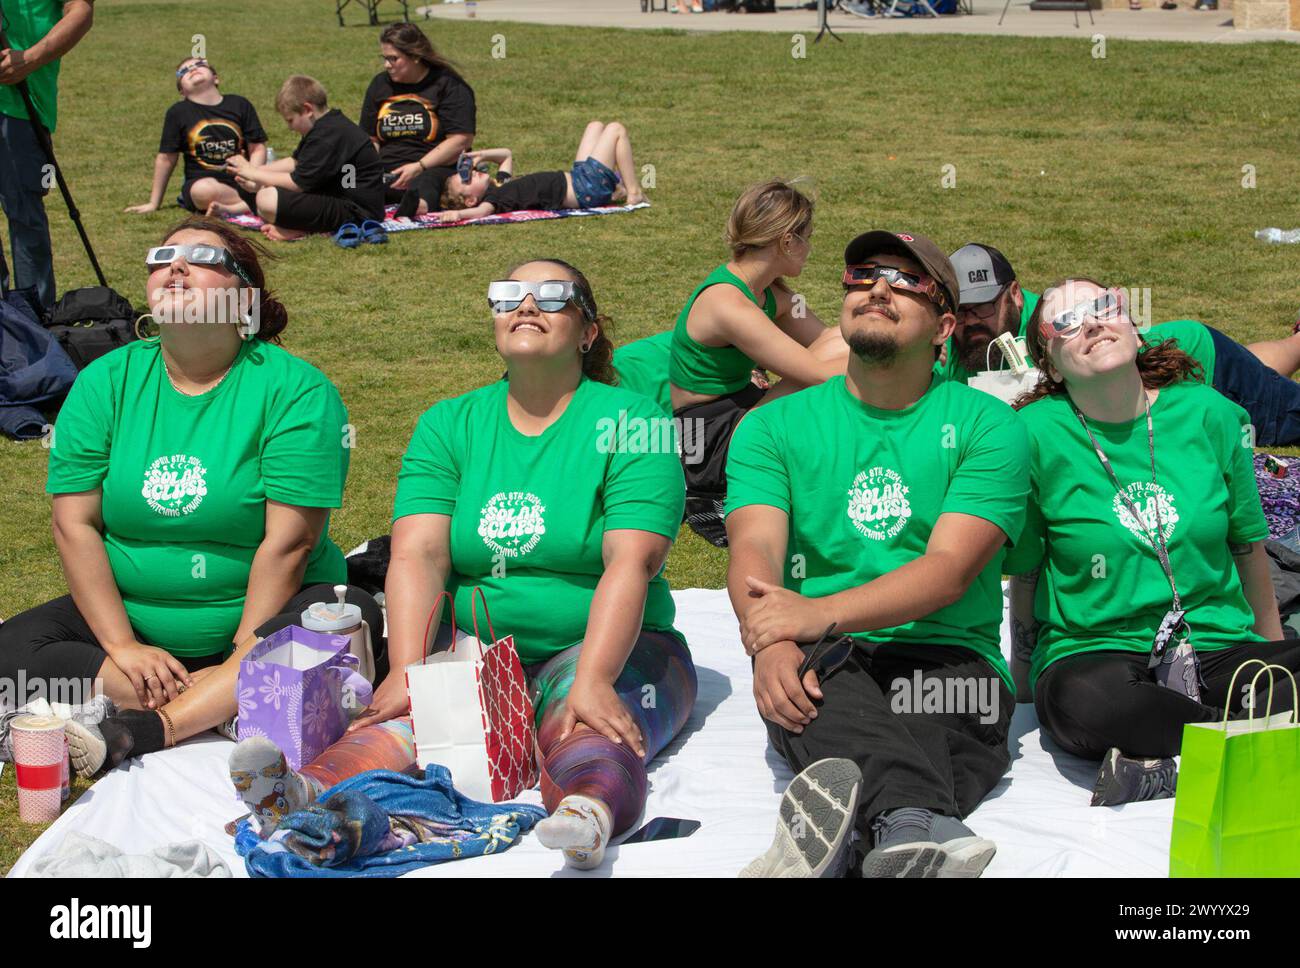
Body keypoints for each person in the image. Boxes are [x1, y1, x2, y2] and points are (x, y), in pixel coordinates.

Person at [348, 258, 697, 871]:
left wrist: (592, 678)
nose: (526, 306)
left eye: (552, 295)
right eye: (509, 295)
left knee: (582, 727)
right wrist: (407, 668)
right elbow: (417, 554)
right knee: (403, 728)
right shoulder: (449, 423)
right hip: (481, 645)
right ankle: (302, 805)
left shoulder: (635, 422)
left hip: (608, 644)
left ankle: (586, 817)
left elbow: (631, 562)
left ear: (588, 332)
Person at [0, 215, 379, 775]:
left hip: (265, 617)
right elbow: (73, 525)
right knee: (12, 651)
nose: (174, 266)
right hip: (135, 626)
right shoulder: (105, 381)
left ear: (243, 297)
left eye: (203, 259)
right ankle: (231, 701)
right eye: (162, 257)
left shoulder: (297, 390)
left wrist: (242, 651)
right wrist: (123, 645)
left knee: (339, 627)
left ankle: (155, 723)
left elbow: (291, 543)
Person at [728, 231, 1027, 878]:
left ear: (944, 325)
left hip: (948, 653)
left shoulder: (987, 426)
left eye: (907, 281)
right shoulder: (773, 425)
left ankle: (838, 852)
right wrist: (770, 641)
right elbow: (754, 546)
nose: (879, 288)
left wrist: (815, 614)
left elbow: (947, 572)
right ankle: (912, 831)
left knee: (933, 725)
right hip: (830, 654)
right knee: (810, 690)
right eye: (863, 274)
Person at [1006, 277, 1300, 806]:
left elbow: (1247, 547)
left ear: (1134, 331)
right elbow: (1025, 569)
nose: (1092, 322)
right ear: (1049, 364)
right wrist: (1024, 686)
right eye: (1067, 321)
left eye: (1103, 307)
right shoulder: (1032, 434)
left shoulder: (1209, 415)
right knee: (1087, 705)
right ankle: (1254, 738)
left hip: (1213, 644)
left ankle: (1180, 751)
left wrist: (1267, 652)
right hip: (1096, 651)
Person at [946, 242, 1300, 445]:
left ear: (1015, 296)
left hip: (1195, 364)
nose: (972, 321)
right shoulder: (949, 344)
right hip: (1178, 352)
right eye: (962, 312)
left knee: (1280, 408)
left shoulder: (1048, 328)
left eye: (985, 307)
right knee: (1263, 370)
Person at [669, 179, 848, 546]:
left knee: (846, 341)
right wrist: (901, 362)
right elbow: (818, 375)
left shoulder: (768, 292)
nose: (810, 248)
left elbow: (830, 339)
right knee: (815, 385)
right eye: (807, 237)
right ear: (786, 241)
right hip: (705, 442)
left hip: (739, 409)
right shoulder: (727, 304)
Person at [0, 0, 94, 309]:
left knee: (25, 216)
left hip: (18, 102)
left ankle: (35, 322)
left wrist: (28, 59)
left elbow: (80, 10)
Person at [224, 75, 384, 242]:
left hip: (357, 209)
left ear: (307, 110)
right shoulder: (323, 127)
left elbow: (297, 183)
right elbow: (295, 162)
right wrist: (253, 171)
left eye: (291, 120)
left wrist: (253, 174)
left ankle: (299, 228)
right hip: (334, 194)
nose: (290, 128)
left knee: (267, 199)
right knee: (254, 186)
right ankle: (294, 225)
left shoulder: (329, 135)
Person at [124, 57, 267, 217]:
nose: (192, 69)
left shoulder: (240, 104)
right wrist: (153, 203)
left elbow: (257, 148)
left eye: (199, 65)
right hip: (203, 184)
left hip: (243, 181)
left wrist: (252, 177)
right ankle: (255, 202)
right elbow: (166, 158)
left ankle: (244, 204)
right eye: (184, 71)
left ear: (216, 78)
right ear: (181, 91)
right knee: (203, 191)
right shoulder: (178, 112)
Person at [434, 122, 645, 223]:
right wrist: (458, 214)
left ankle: (615, 188)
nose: (471, 172)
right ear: (471, 200)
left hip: (578, 176)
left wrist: (480, 155)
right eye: (466, 179)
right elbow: (482, 213)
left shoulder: (499, 184)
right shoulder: (494, 199)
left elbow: (506, 155)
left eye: (467, 171)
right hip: (585, 189)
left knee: (595, 126)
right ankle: (633, 192)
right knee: (616, 130)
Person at [360, 21, 475, 202]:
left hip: (433, 166)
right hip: (387, 168)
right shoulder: (380, 85)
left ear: (415, 56)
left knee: (425, 184)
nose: (386, 65)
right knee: (347, 180)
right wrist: (369, 166)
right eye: (384, 58)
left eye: (393, 58)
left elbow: (461, 140)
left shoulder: (448, 84)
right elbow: (370, 138)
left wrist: (419, 166)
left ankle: (416, 205)